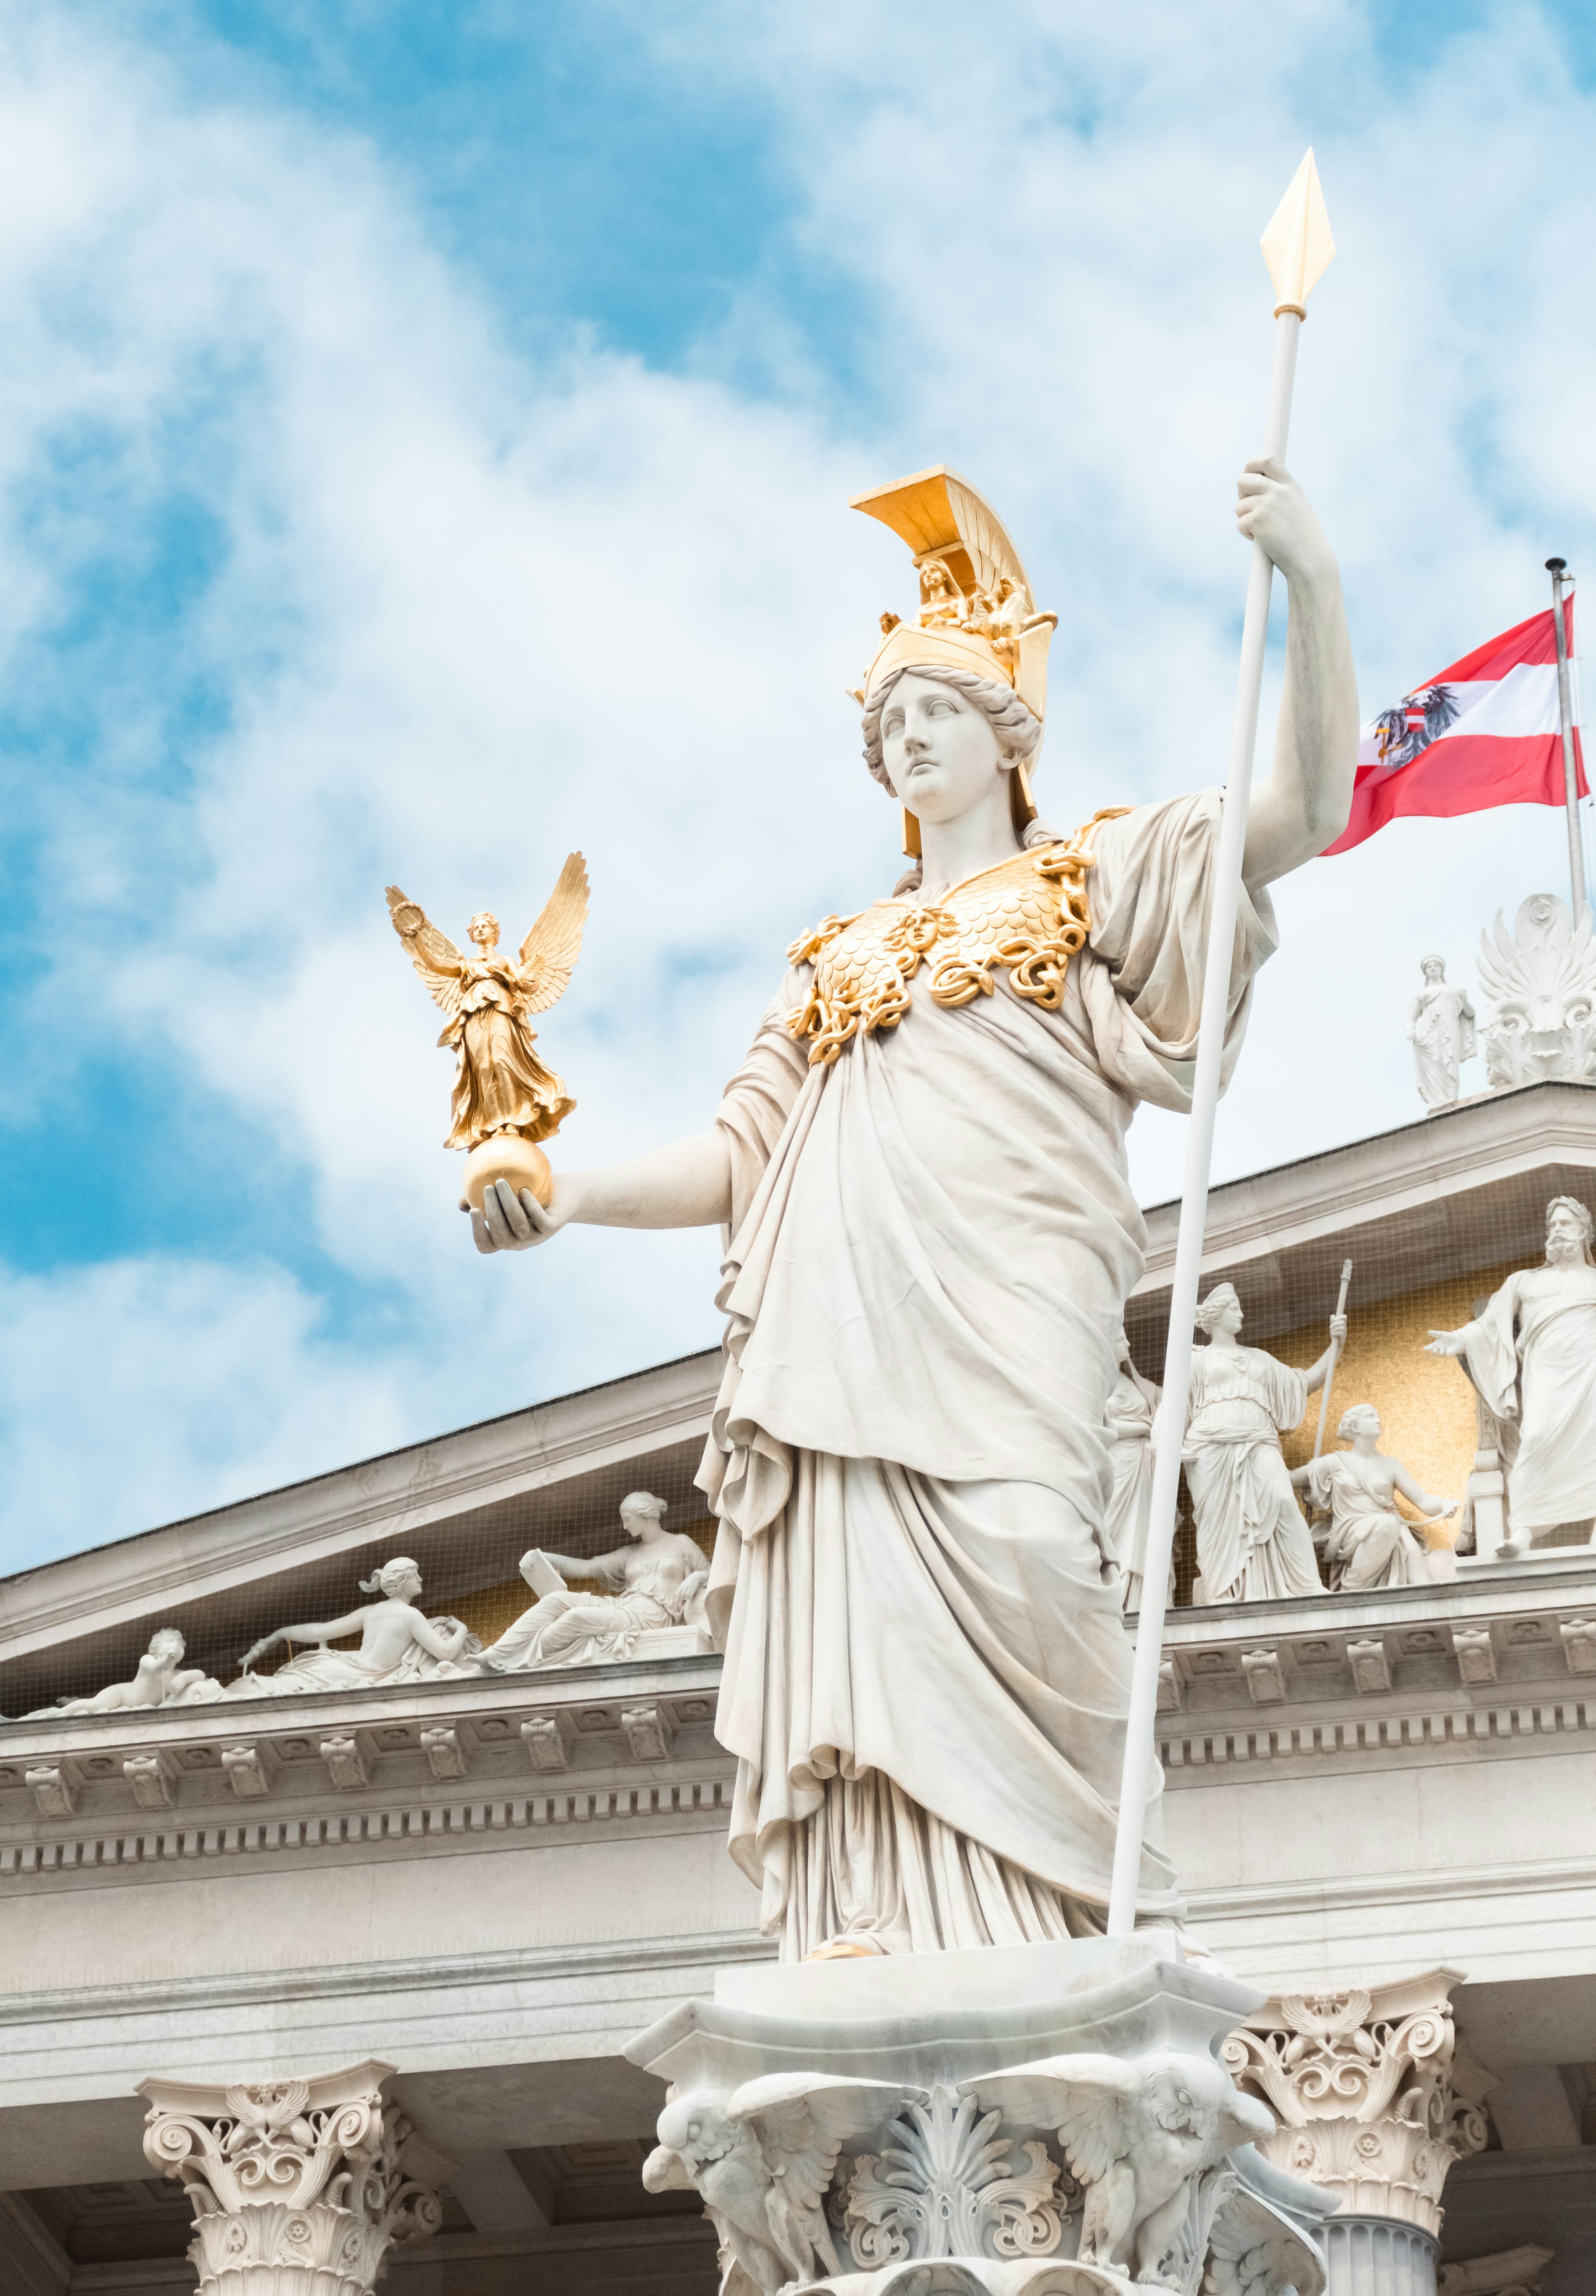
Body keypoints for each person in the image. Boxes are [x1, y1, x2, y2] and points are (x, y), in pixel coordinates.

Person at [471, 455, 1356, 1959]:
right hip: (841, 1335)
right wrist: (565, 1191)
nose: (906, 738)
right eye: (886, 724)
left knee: (1027, 1557)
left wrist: (1313, 582)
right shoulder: (833, 960)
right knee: (858, 1619)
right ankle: (877, 1918)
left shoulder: (1091, 880)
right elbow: (736, 1153)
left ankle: (1074, 1924)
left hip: (1011, 1302)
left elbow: (1302, 806)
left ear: (1008, 731)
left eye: (932, 709)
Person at [1427, 1196, 1596, 1554]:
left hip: (1590, 1372)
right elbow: (1488, 1325)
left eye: (1564, 1224)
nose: (1556, 1232)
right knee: (1534, 1438)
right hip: (1547, 1374)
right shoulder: (1525, 1282)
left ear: (1584, 1230)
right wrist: (1459, 1339)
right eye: (1552, 1226)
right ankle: (1522, 1529)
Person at [1182, 1283, 1342, 1603]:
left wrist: (1336, 1345)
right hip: (1210, 1449)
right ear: (1216, 1315)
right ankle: (1223, 1592)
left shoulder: (1260, 1359)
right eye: (1234, 1308)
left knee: (1283, 1502)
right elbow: (1175, 1410)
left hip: (1259, 1440)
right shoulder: (1194, 1359)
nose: (1241, 1314)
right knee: (1217, 1520)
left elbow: (1306, 1382)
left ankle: (1307, 1586)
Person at [477, 1491, 709, 1672]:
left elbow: (716, 1575)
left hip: (650, 1617)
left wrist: (697, 1577)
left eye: (628, 1520)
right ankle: (499, 1652)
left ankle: (518, 1659)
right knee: (556, 1600)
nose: (625, 1526)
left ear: (644, 1515)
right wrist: (543, 1556)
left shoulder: (681, 1543)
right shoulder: (630, 1553)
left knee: (576, 1617)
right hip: (624, 1607)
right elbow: (585, 1567)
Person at [230, 1555, 480, 1693]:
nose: (421, 1579)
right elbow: (446, 1653)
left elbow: (320, 1631)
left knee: (280, 1687)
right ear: (402, 1581)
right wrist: (462, 1630)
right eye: (415, 1574)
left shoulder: (370, 1612)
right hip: (363, 1674)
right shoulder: (410, 1615)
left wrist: (277, 1635)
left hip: (337, 1665)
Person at [1290, 1404, 1457, 1589]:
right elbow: (1289, 1479)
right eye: (1370, 1417)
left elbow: (1424, 1502)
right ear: (1355, 1428)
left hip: (1390, 1525)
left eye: (1377, 1416)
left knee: (1413, 1559)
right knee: (1390, 1525)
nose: (1378, 1420)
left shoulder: (1391, 1464)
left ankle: (1425, 1603)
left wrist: (1445, 1505)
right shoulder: (1335, 1462)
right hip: (1351, 1528)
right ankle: (1352, 1589)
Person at [0, 1627, 224, 1725]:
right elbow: (157, 1668)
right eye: (169, 1643)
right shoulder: (148, 1661)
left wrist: (184, 1677)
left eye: (178, 1644)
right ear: (156, 1648)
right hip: (123, 1696)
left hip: (138, 1701)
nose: (174, 1647)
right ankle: (59, 1714)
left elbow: (199, 1673)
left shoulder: (177, 1673)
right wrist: (169, 1659)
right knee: (92, 1706)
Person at [1104, 1330, 1165, 1613]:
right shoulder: (1095, 1385)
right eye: (1120, 1339)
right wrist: (1145, 1427)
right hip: (1114, 1465)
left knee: (1143, 1528)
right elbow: (1101, 1427)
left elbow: (1171, 1403)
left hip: (1143, 1465)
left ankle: (1140, 1600)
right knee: (1112, 1526)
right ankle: (1112, 1596)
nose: (1129, 1344)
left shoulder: (1139, 1385)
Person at [1407, 955, 1475, 1112]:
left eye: (1436, 965)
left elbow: (1470, 1014)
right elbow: (1411, 1019)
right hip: (1429, 1032)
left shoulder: (1453, 991)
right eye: (1429, 966)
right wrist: (1410, 1029)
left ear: (1441, 969)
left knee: (1448, 1061)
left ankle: (1450, 1096)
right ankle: (1437, 1098)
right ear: (1425, 972)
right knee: (1435, 1061)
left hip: (1449, 1030)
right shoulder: (1421, 995)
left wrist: (1464, 1000)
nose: (1432, 968)